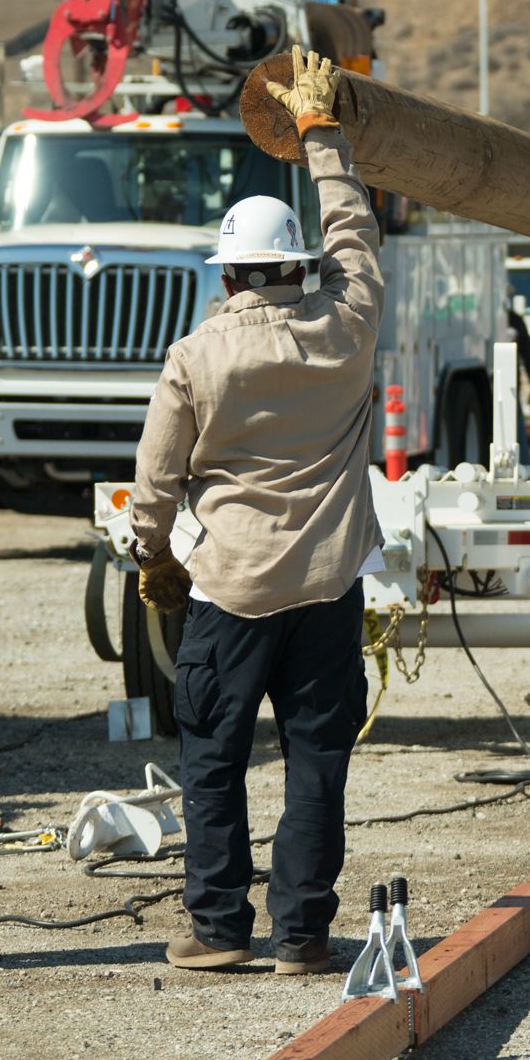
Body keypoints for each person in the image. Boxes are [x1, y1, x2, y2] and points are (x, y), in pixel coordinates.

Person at [129, 47, 382, 976]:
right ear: (298, 268)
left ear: (230, 276)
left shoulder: (195, 355)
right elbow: (355, 236)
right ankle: (303, 937)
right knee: (317, 763)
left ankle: (219, 930)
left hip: (227, 591)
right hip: (324, 590)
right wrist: (321, 135)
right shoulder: (347, 329)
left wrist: (152, 557)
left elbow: (155, 484)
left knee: (214, 761)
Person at [507, 297, 530, 467]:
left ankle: (525, 472)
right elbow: (528, 354)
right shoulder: (513, 319)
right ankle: (526, 472)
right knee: (517, 438)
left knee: (515, 437)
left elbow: (527, 352)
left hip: (508, 391)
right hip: (510, 390)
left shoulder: (513, 320)